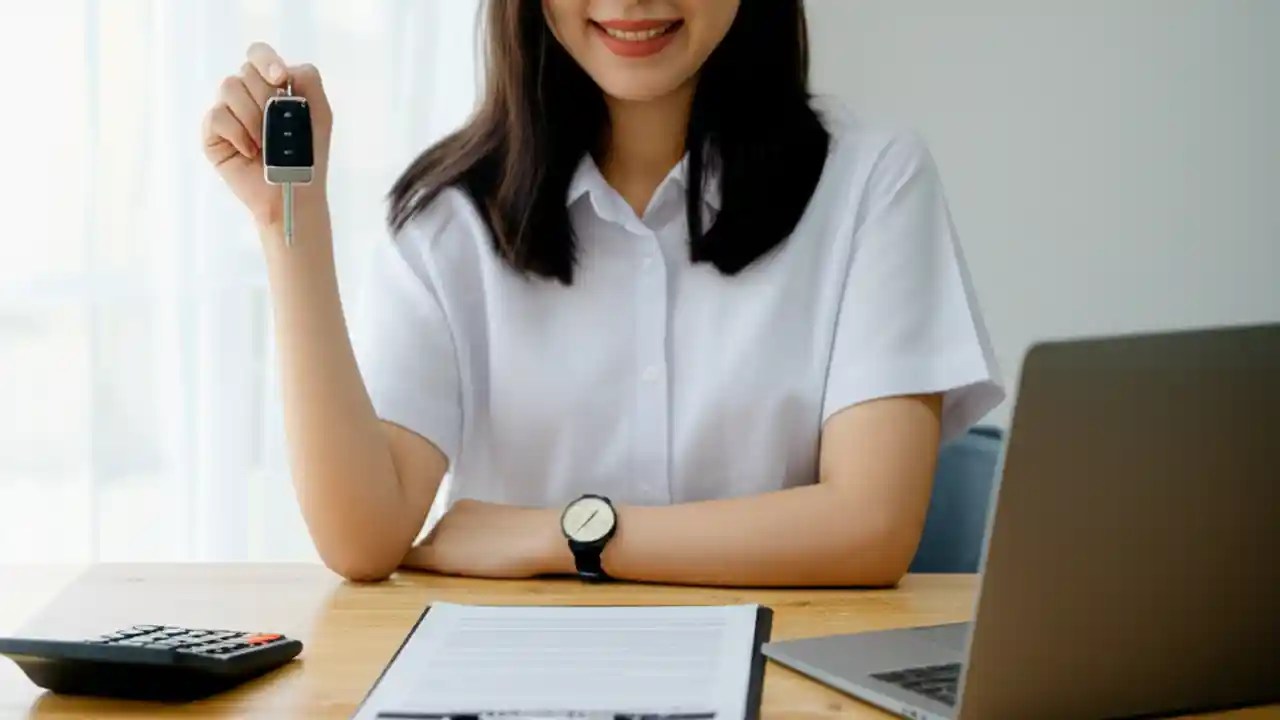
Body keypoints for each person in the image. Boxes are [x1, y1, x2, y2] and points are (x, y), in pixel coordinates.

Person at [201, 0, 1003, 587]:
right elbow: (363, 537)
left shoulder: (870, 179)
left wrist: (563, 535)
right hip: (519, 681)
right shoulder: (449, 217)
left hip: (785, 676)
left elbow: (870, 528)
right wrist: (288, 223)